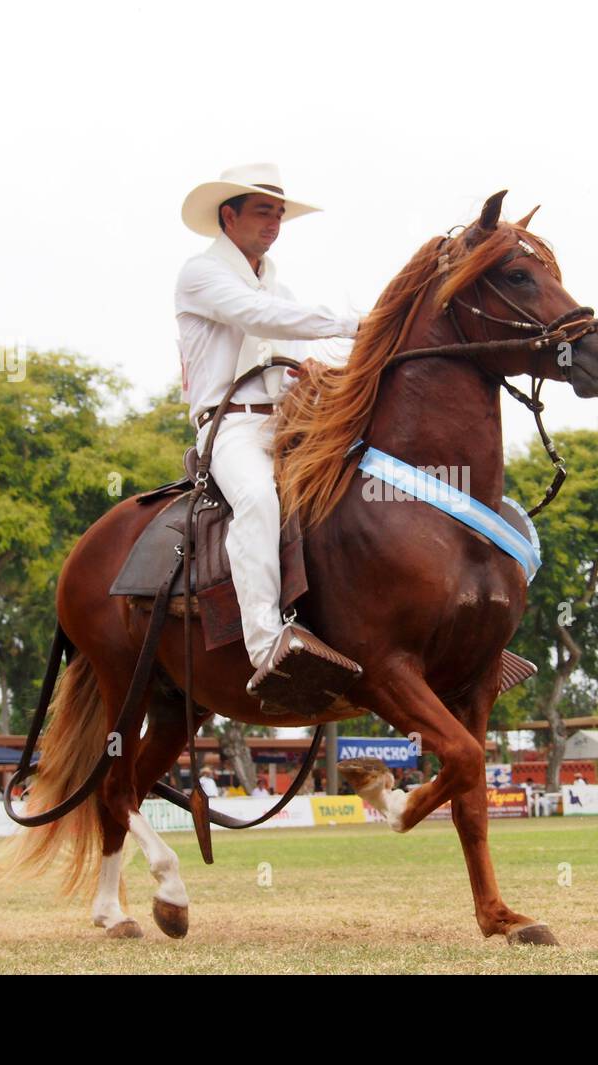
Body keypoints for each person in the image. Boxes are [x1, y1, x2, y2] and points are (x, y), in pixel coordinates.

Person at [176, 163, 361, 704]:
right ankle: (267, 646)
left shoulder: (276, 283)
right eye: (264, 211)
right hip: (229, 425)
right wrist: (351, 323)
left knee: (367, 478)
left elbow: (291, 344)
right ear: (227, 216)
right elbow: (259, 317)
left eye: (279, 213)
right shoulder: (200, 274)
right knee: (257, 498)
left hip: (287, 423)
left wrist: (324, 374)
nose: (275, 222)